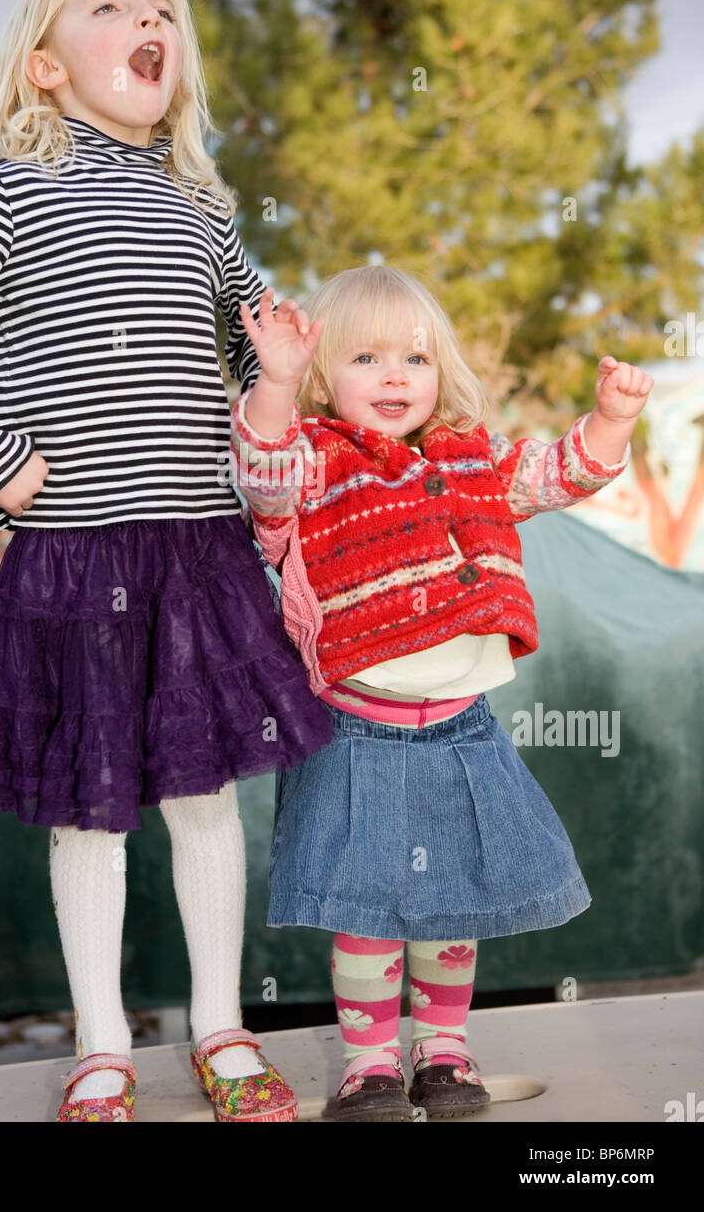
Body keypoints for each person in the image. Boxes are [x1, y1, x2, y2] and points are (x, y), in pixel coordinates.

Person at [0, 0, 336, 1123]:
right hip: (72, 555)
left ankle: (219, 1032)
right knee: (88, 802)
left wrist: (279, 372)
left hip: (200, 550)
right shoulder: (8, 187)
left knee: (205, 799)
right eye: (108, 6)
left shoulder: (202, 204)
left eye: (160, 7)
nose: (144, 21)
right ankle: (103, 1044)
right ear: (48, 66)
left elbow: (247, 372)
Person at [229, 264, 652, 1121]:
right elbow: (260, 476)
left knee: (453, 900)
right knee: (370, 910)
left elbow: (554, 475)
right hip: (357, 730)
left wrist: (610, 421)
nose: (395, 376)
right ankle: (369, 1066)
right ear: (320, 375)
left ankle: (445, 1053)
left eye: (415, 359)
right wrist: (272, 382)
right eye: (367, 358)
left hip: (463, 729)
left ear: (440, 373)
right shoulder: (314, 460)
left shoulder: (472, 455)